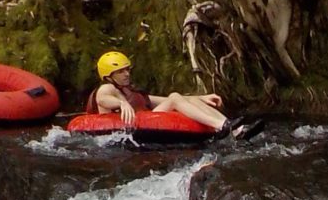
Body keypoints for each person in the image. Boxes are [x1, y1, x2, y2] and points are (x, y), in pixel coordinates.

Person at [86, 49, 264, 137]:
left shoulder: (131, 91)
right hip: (130, 128)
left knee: (177, 97)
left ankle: (232, 128)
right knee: (174, 98)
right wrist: (121, 103)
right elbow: (103, 99)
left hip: (144, 122)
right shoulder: (107, 88)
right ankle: (224, 127)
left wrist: (200, 98)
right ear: (109, 76)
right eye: (121, 72)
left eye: (127, 70)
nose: (126, 74)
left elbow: (166, 100)